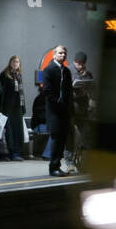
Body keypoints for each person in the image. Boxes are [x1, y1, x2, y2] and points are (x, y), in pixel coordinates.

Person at [43, 44, 74, 177]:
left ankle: (58, 166)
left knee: (62, 139)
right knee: (56, 139)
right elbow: (47, 91)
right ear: (54, 54)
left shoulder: (66, 71)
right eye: (60, 53)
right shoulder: (48, 69)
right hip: (54, 110)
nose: (63, 55)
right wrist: (57, 101)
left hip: (64, 110)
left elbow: (69, 91)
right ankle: (53, 167)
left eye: (64, 53)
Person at [0, 55, 27, 161]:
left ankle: (17, 152)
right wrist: (1, 108)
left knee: (18, 130)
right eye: (13, 62)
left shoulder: (19, 75)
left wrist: (23, 107)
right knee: (9, 131)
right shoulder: (5, 75)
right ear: (10, 62)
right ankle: (9, 153)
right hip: (8, 107)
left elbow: (21, 93)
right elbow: (2, 93)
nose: (15, 64)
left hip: (18, 107)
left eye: (17, 62)